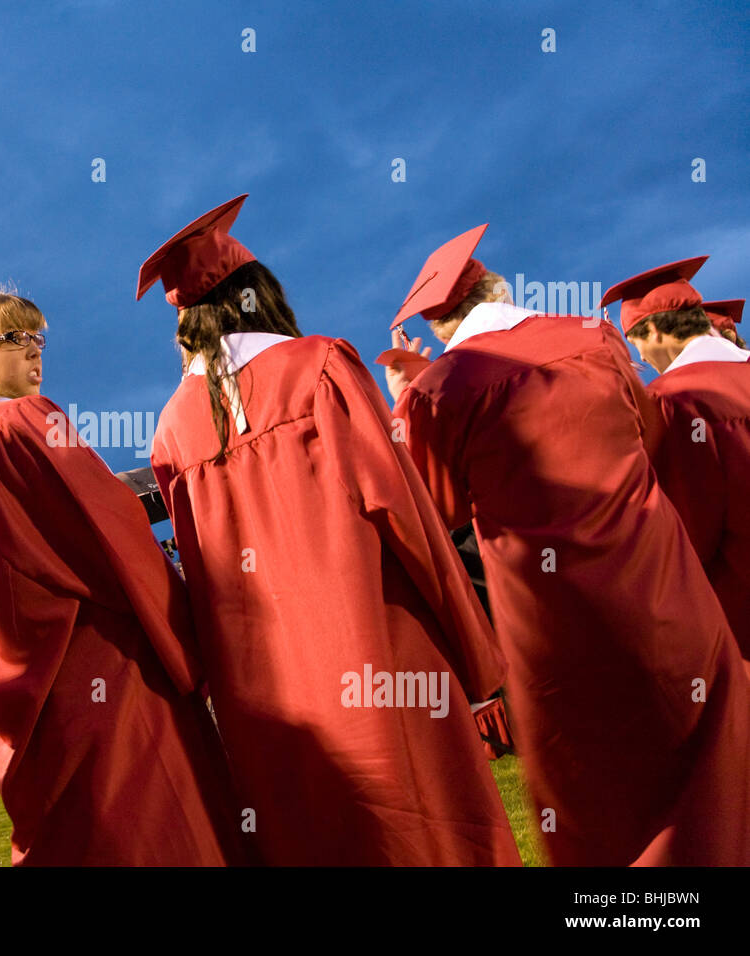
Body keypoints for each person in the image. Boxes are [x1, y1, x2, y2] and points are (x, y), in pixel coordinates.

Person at [139, 195, 519, 866]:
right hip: (379, 656)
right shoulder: (319, 368)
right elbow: (407, 515)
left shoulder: (172, 430)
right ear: (259, 297)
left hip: (269, 707)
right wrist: (478, 657)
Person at [381, 228, 750, 865]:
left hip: (554, 620)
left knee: (600, 805)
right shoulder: (596, 338)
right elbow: (650, 437)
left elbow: (436, 508)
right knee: (708, 781)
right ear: (497, 289)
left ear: (442, 326)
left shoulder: (445, 388)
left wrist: (408, 401)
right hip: (665, 589)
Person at [0, 277, 243, 865]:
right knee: (171, 831)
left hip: (56, 697)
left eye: (38, 337)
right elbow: (108, 529)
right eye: (15, 337)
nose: (34, 349)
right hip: (114, 670)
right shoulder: (19, 420)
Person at [602, 260, 750, 658]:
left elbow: (687, 530)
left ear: (652, 329)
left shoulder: (674, 400)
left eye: (638, 343)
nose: (646, 359)